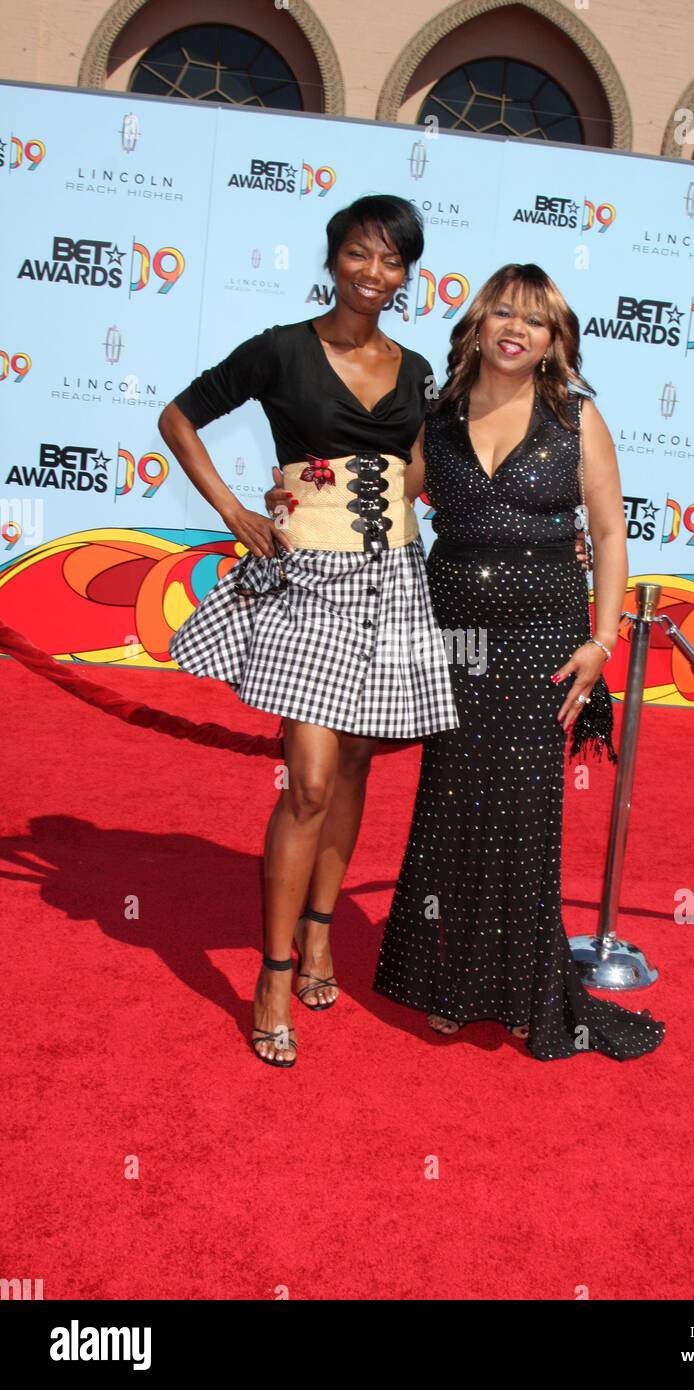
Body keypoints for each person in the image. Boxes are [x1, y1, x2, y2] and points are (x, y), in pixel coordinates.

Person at [158, 195, 459, 1069]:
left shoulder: (415, 370)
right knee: (311, 782)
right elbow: (179, 415)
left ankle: (323, 931)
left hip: (393, 579)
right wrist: (231, 508)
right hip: (306, 581)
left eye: (393, 260)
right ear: (334, 258)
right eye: (361, 253)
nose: (375, 272)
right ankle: (275, 973)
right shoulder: (283, 349)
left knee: (358, 764)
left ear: (408, 274)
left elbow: (427, 475)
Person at [370, 263, 664, 1061]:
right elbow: (393, 506)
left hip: (545, 642)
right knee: (452, 805)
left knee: (526, 814)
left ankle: (527, 986)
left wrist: (601, 645)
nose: (516, 328)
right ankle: (449, 983)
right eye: (503, 311)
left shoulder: (576, 420)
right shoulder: (440, 414)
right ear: (478, 323)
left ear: (553, 342)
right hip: (454, 636)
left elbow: (608, 536)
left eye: (535, 320)